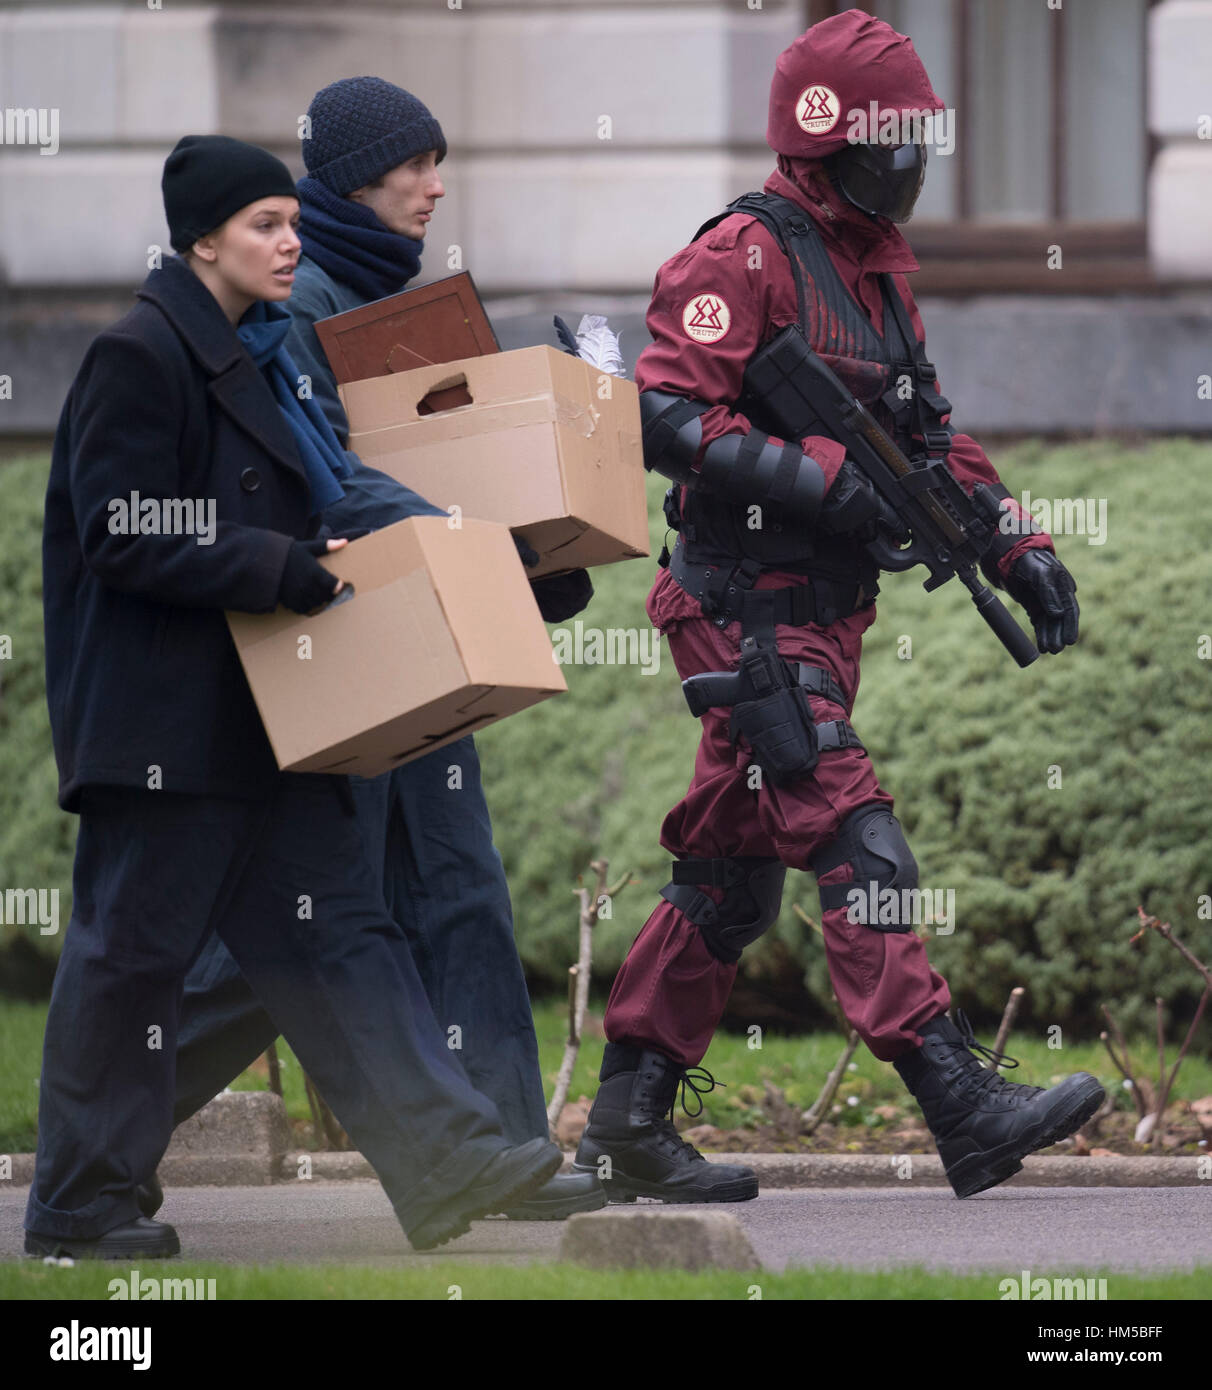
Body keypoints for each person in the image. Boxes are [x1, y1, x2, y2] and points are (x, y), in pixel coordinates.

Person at [573, 11, 1104, 1203]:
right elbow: (663, 415)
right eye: (895, 133)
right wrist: (821, 483)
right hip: (739, 610)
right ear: (828, 134)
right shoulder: (743, 253)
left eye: (924, 133)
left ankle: (625, 1121)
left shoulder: (875, 268)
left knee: (727, 879)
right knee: (856, 833)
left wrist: (1016, 542)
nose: (913, 157)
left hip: (822, 613)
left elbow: (925, 435)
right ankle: (957, 1100)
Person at [25, 134, 564, 1259]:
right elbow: (122, 528)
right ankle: (79, 1205)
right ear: (202, 239)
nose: (288, 242)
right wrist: (274, 563)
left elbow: (346, 490)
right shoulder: (142, 353)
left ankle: (448, 1157)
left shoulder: (262, 352)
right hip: (168, 732)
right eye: (265, 225)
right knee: (132, 963)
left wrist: (491, 553)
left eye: (291, 222)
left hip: (273, 719)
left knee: (339, 940)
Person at [151, 79, 601, 1222]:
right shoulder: (301, 308)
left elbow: (441, 469)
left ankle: (500, 1149)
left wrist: (533, 545)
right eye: (418, 165)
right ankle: (94, 1127)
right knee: (304, 929)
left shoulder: (389, 302)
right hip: (358, 639)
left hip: (424, 626)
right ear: (359, 173)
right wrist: (488, 547)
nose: (435, 185)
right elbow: (331, 488)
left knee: (450, 892)